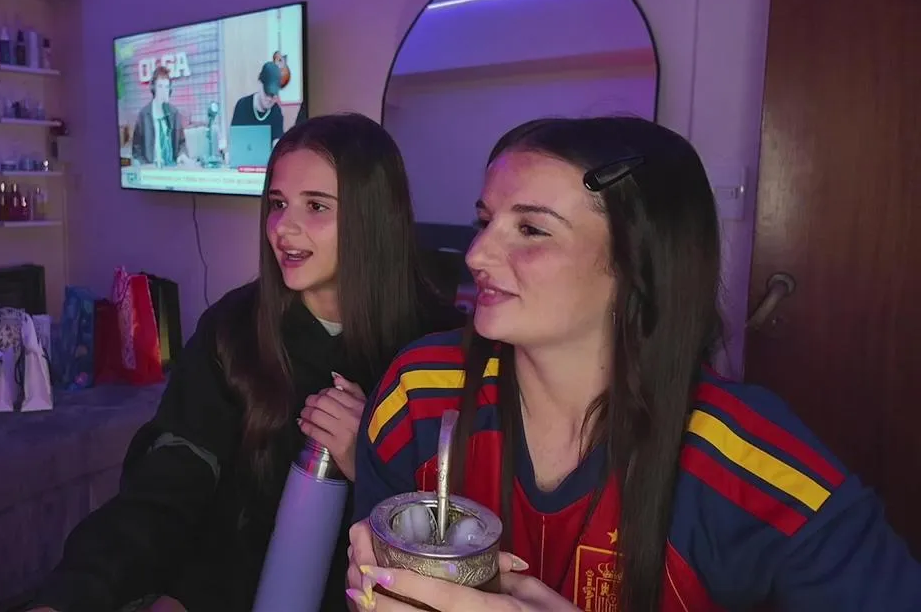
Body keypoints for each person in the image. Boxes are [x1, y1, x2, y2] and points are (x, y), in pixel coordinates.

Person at [346, 117, 921, 611]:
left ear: (635, 265)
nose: (476, 255)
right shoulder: (421, 393)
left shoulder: (746, 462)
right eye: (484, 222)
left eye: (531, 229)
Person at [29, 113, 464, 612]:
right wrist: (74, 596)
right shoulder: (231, 330)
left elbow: (462, 536)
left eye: (316, 206)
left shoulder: (440, 350)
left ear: (373, 216)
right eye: (277, 204)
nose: (283, 228)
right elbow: (164, 490)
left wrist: (370, 462)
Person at [131, 65, 188, 166]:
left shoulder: (174, 113)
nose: (164, 91)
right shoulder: (143, 115)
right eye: (160, 86)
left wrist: (181, 155)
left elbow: (181, 143)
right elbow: (136, 150)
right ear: (153, 88)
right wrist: (145, 166)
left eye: (166, 87)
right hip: (151, 169)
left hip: (172, 168)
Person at [229, 61, 286, 143]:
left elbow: (277, 142)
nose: (270, 99)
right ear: (260, 84)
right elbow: (234, 139)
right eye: (267, 93)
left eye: (273, 95)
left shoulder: (276, 112)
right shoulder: (242, 106)